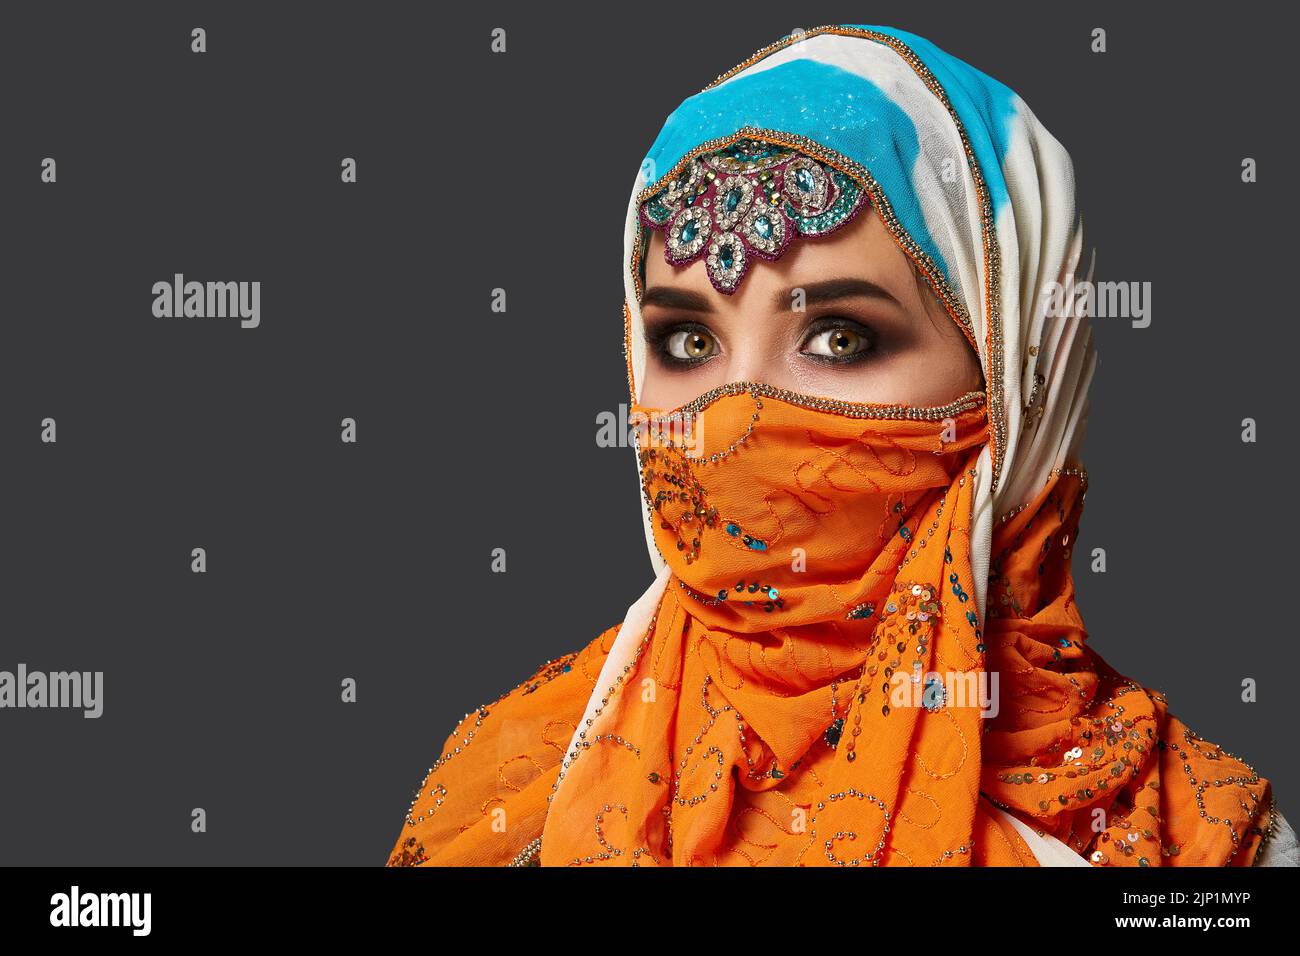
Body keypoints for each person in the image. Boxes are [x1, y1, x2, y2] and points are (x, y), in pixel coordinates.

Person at [387, 24, 1295, 867]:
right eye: (688, 342)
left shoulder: (1187, 847)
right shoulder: (514, 801)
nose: (733, 420)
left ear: (1023, 379)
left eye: (839, 337)